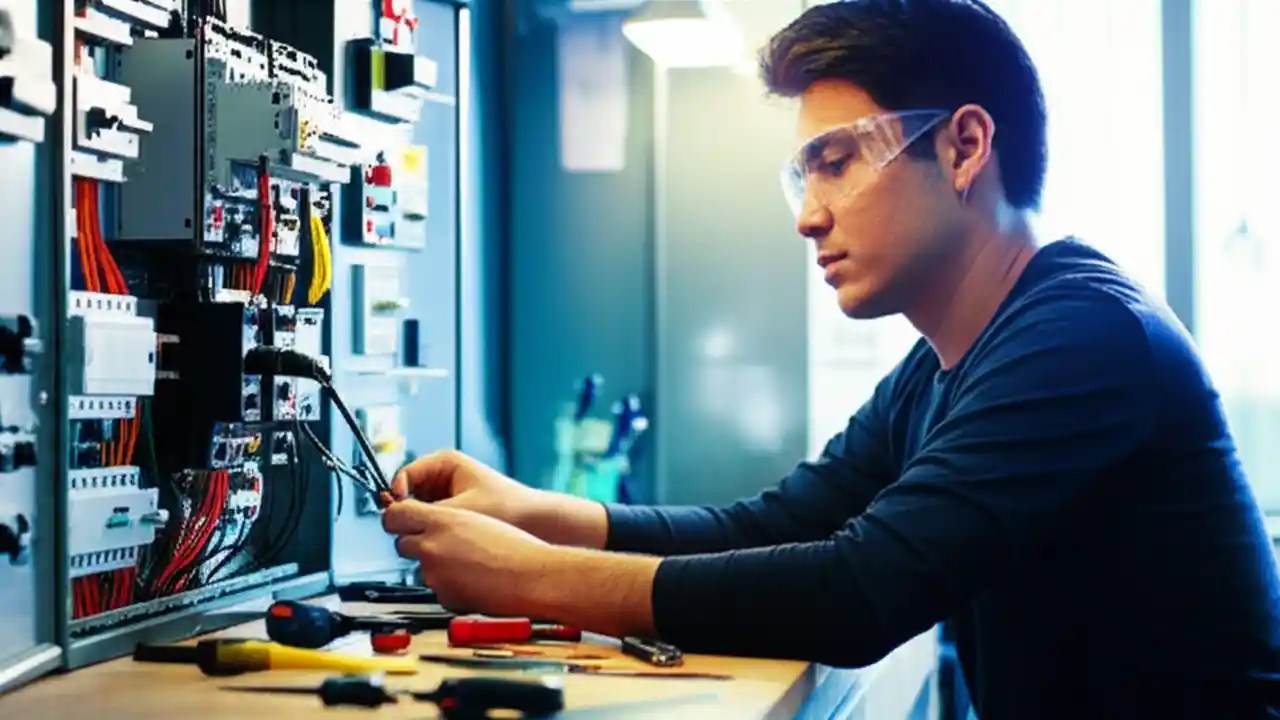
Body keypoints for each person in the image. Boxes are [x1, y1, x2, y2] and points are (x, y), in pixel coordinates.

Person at [382, 1, 1280, 716]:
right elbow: (776, 525)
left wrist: (530, 577)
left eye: (838, 162)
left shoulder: (1085, 334)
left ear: (964, 147)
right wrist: (538, 514)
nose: (808, 214)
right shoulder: (939, 368)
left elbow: (861, 592)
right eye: (803, 175)